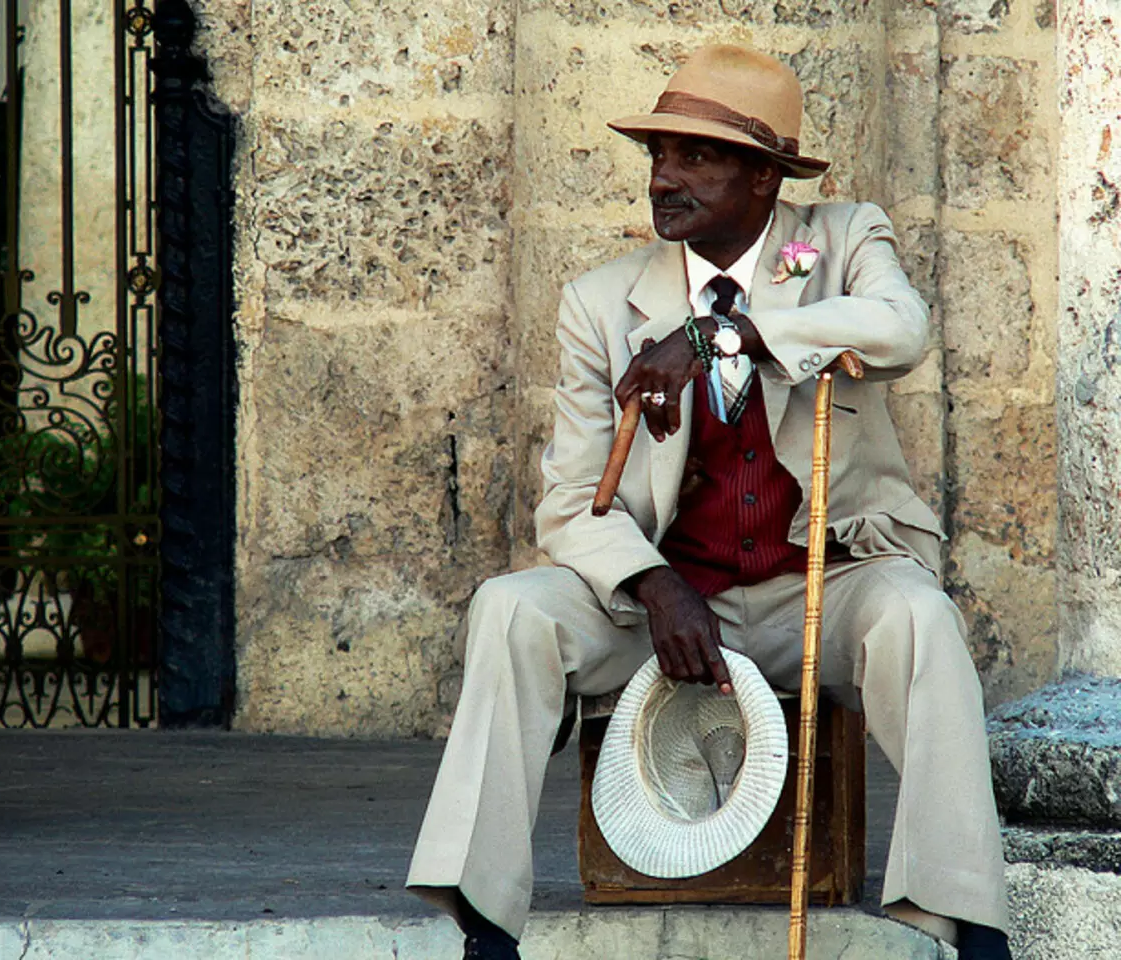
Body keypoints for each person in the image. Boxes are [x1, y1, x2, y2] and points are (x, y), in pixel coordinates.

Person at [406, 44, 1012, 960]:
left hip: (822, 585)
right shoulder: (600, 302)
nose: (665, 177)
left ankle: (965, 924)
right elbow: (573, 502)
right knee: (511, 610)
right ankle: (486, 925)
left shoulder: (843, 240)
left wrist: (724, 332)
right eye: (658, 154)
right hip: (666, 599)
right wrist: (654, 588)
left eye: (696, 156)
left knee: (923, 621)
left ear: (766, 177)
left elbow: (901, 328)